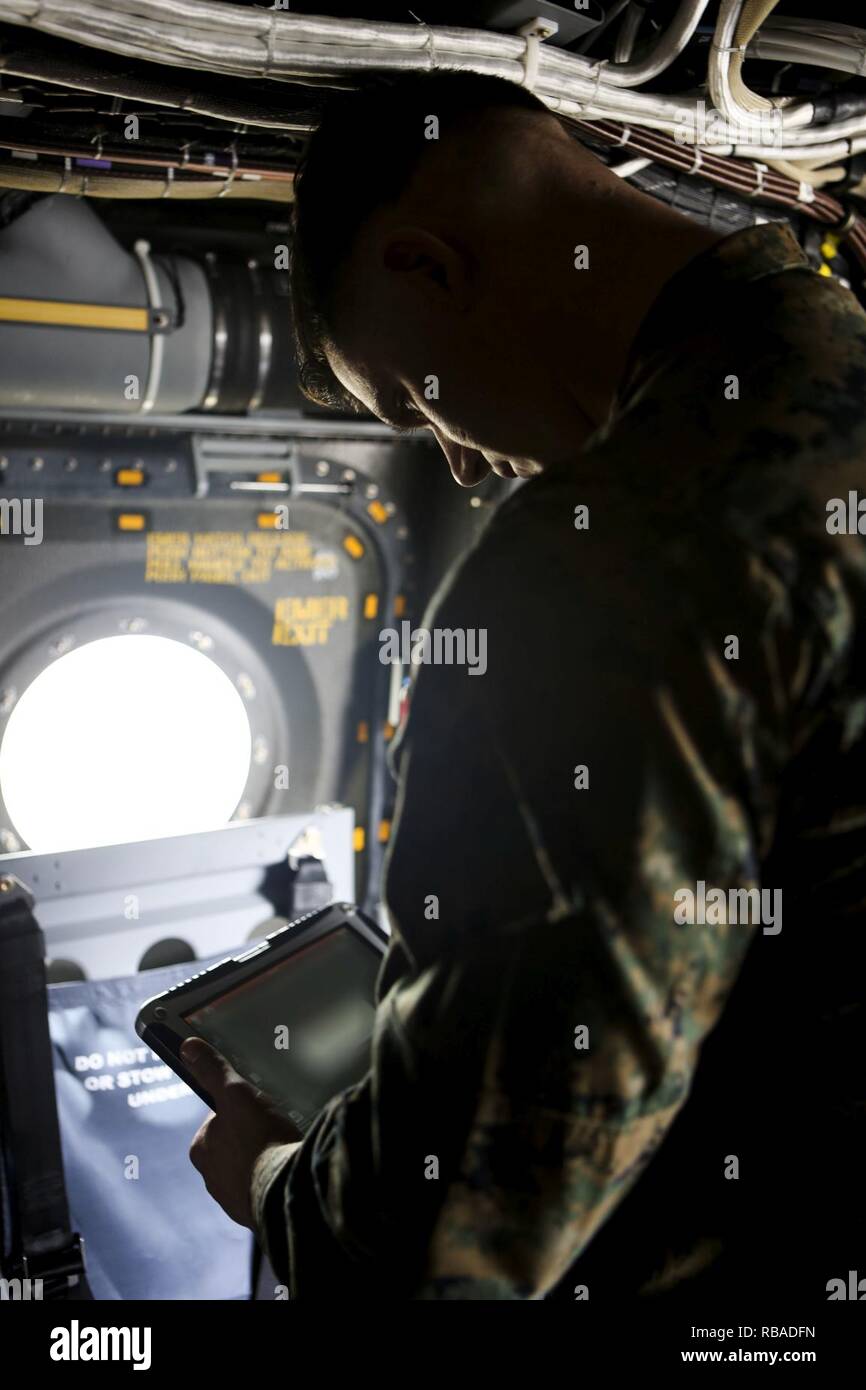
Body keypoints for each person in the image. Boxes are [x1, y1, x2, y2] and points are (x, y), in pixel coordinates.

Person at [183, 71, 866, 1302]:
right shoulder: (839, 347)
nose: (459, 459)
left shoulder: (596, 563)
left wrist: (279, 1177)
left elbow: (471, 1206)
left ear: (425, 266)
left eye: (411, 404)